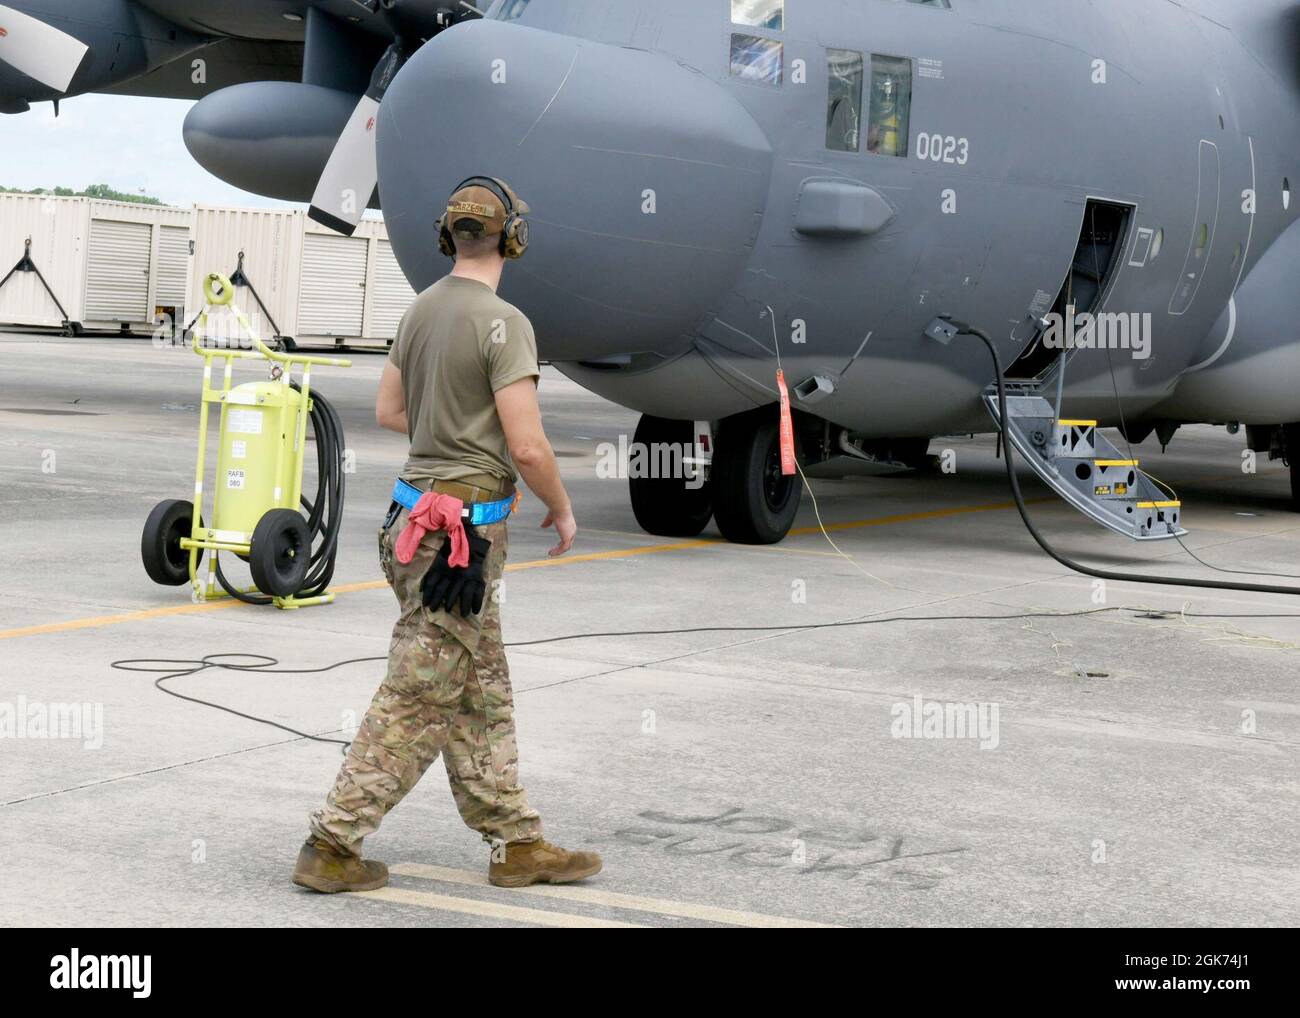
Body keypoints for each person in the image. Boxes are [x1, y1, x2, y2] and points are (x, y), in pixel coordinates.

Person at [293, 176, 601, 893]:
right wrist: (560, 507)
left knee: (481, 687)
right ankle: (332, 842)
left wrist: (452, 430)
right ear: (513, 238)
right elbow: (528, 447)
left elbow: (391, 411)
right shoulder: (505, 323)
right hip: (459, 541)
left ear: (446, 236)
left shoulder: (420, 312)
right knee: (420, 692)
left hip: (412, 520)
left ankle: (514, 840)